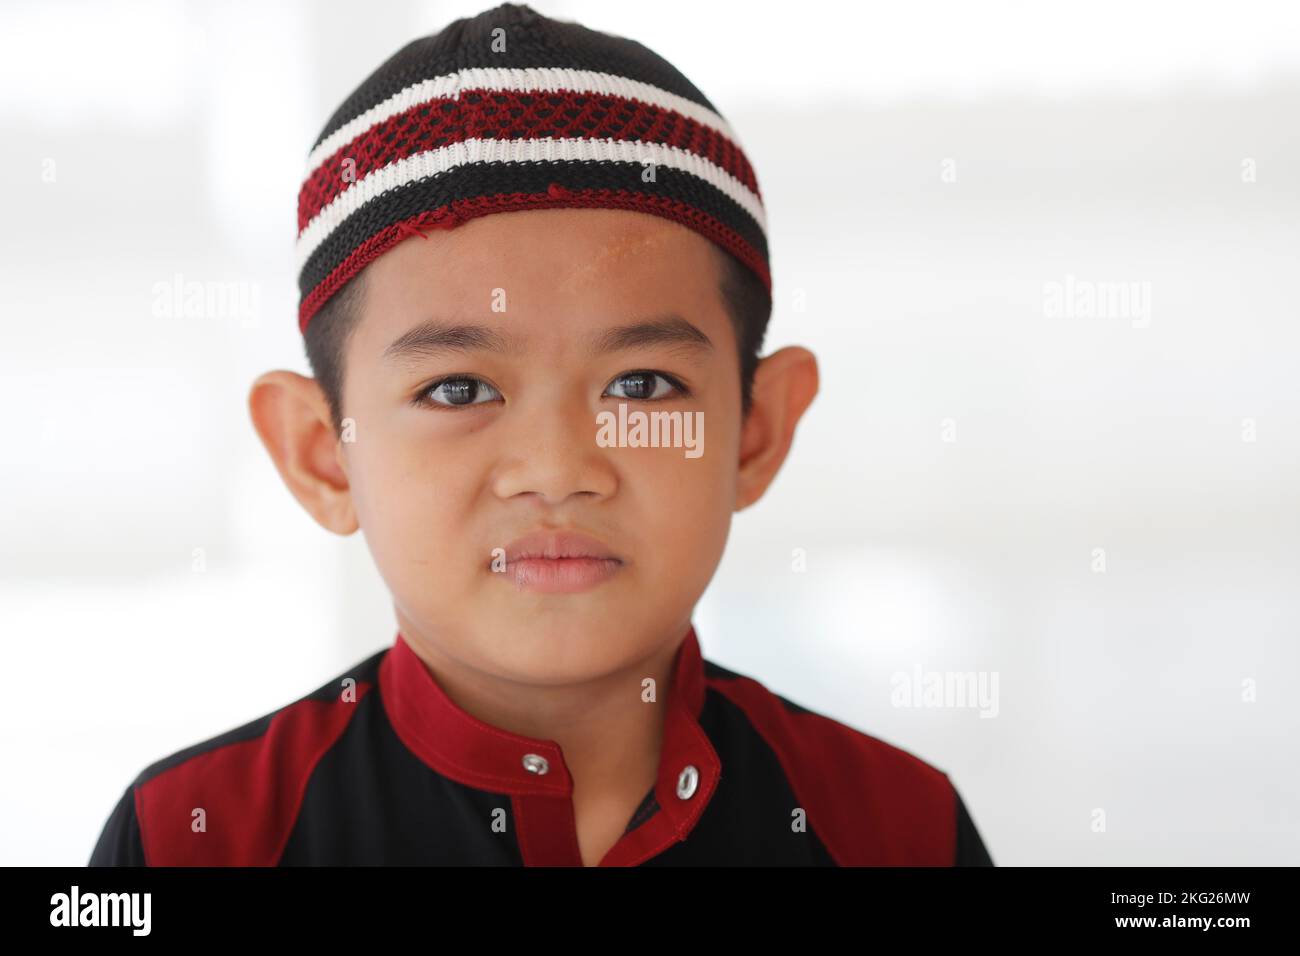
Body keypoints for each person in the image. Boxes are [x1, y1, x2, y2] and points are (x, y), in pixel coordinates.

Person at [90, 2, 993, 866]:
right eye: (457, 388)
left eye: (641, 385)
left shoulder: (897, 830)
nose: (558, 469)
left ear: (755, 433)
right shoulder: (191, 841)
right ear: (321, 454)